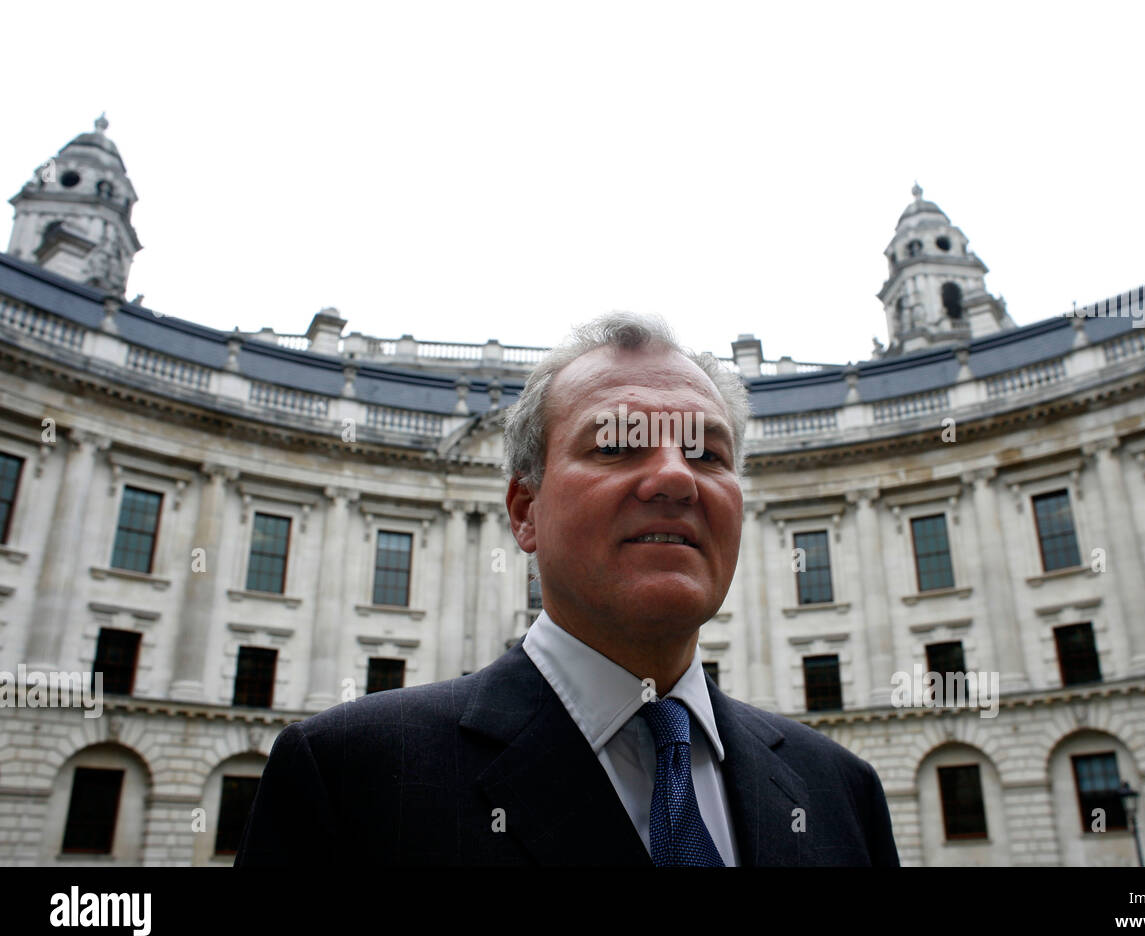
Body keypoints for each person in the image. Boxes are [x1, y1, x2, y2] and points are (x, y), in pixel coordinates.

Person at [235, 312, 898, 866]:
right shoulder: (348, 777)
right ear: (525, 511)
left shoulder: (843, 791)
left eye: (707, 453)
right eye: (615, 445)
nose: (676, 477)